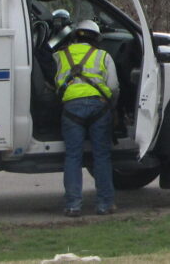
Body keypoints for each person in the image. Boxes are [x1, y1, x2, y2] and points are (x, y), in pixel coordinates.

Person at [54, 19, 118, 217]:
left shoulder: (60, 55)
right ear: (96, 38)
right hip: (99, 108)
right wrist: (112, 106)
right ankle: (105, 204)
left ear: (75, 36)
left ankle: (73, 206)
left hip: (71, 109)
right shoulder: (103, 56)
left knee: (73, 156)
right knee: (101, 156)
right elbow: (113, 86)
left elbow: (53, 81)